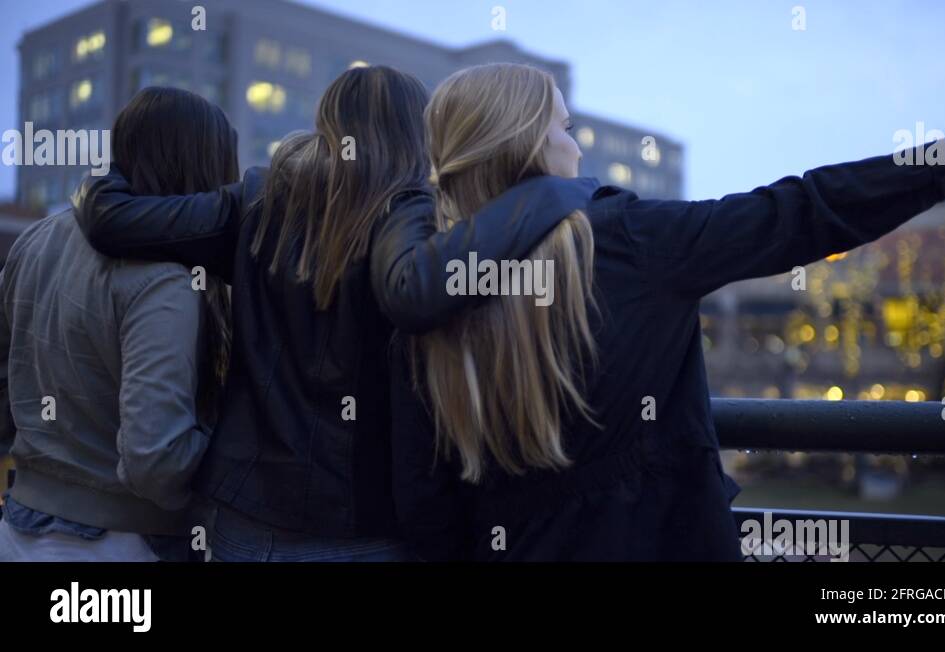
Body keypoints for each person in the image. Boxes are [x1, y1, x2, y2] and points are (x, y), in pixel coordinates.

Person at [389, 62, 945, 561]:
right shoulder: (631, 239)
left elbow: (426, 507)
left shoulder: (420, 295)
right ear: (532, 145)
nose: (577, 148)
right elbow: (806, 209)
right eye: (566, 129)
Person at [71, 66, 594, 561]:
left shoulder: (257, 201)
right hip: (367, 529)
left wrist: (110, 165)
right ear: (418, 136)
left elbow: (113, 220)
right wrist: (561, 191)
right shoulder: (413, 217)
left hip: (243, 518)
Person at [0, 87, 234, 561]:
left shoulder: (34, 242)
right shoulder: (165, 278)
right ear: (206, 169)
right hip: (119, 544)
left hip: (17, 528)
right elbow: (155, 457)